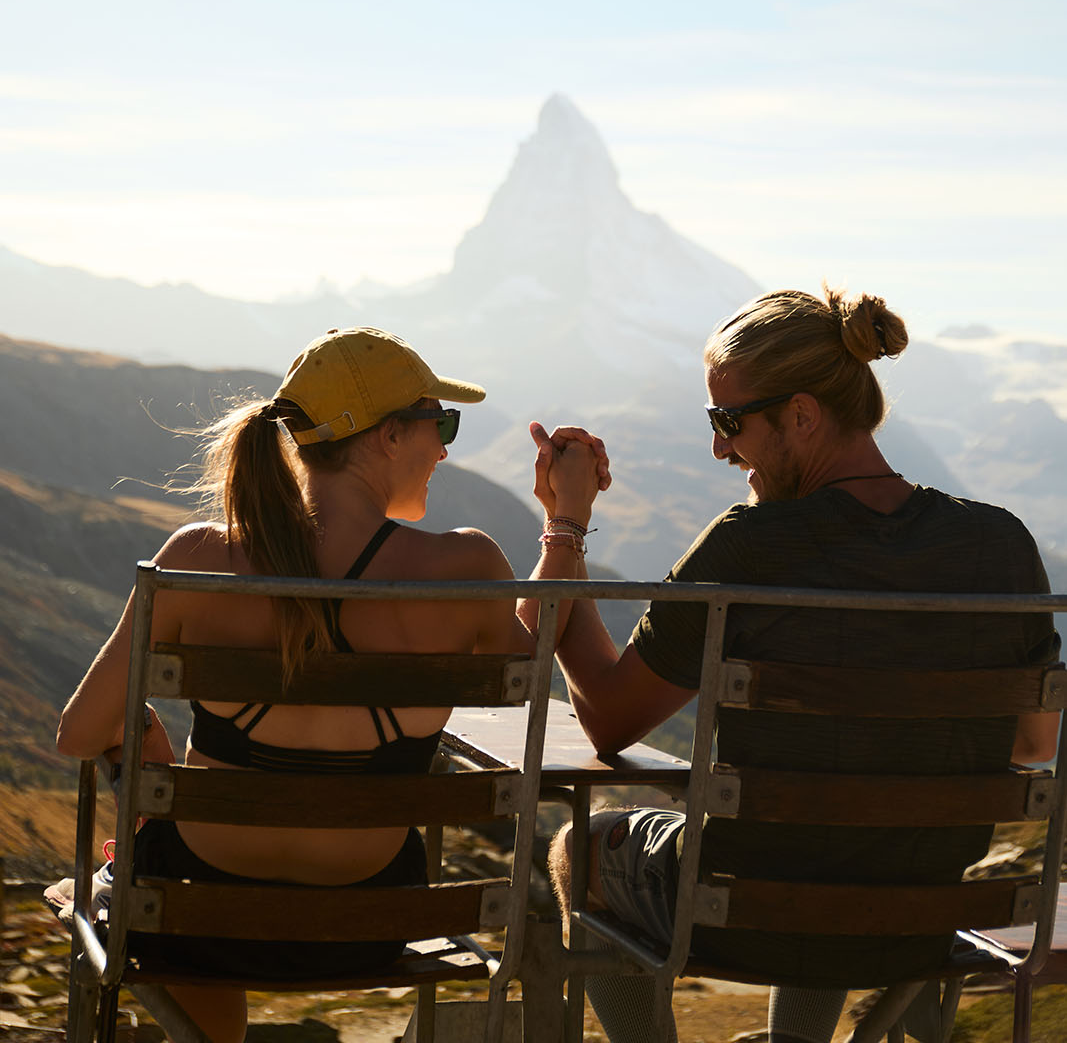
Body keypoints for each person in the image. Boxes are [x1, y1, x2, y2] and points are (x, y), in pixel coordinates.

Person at [525, 286, 1061, 1043]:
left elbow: (610, 720)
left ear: (802, 415)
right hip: (919, 918)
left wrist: (565, 524)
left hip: (738, 915)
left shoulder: (750, 546)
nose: (719, 448)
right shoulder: (999, 545)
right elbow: (1032, 745)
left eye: (728, 422)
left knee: (581, 846)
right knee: (850, 838)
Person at [54, 326, 605, 1043]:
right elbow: (528, 672)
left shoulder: (196, 558)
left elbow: (77, 734)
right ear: (386, 437)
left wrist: (149, 747)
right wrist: (564, 522)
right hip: (370, 923)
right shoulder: (459, 569)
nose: (444, 448)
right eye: (439, 423)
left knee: (89, 891)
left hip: (195, 919)